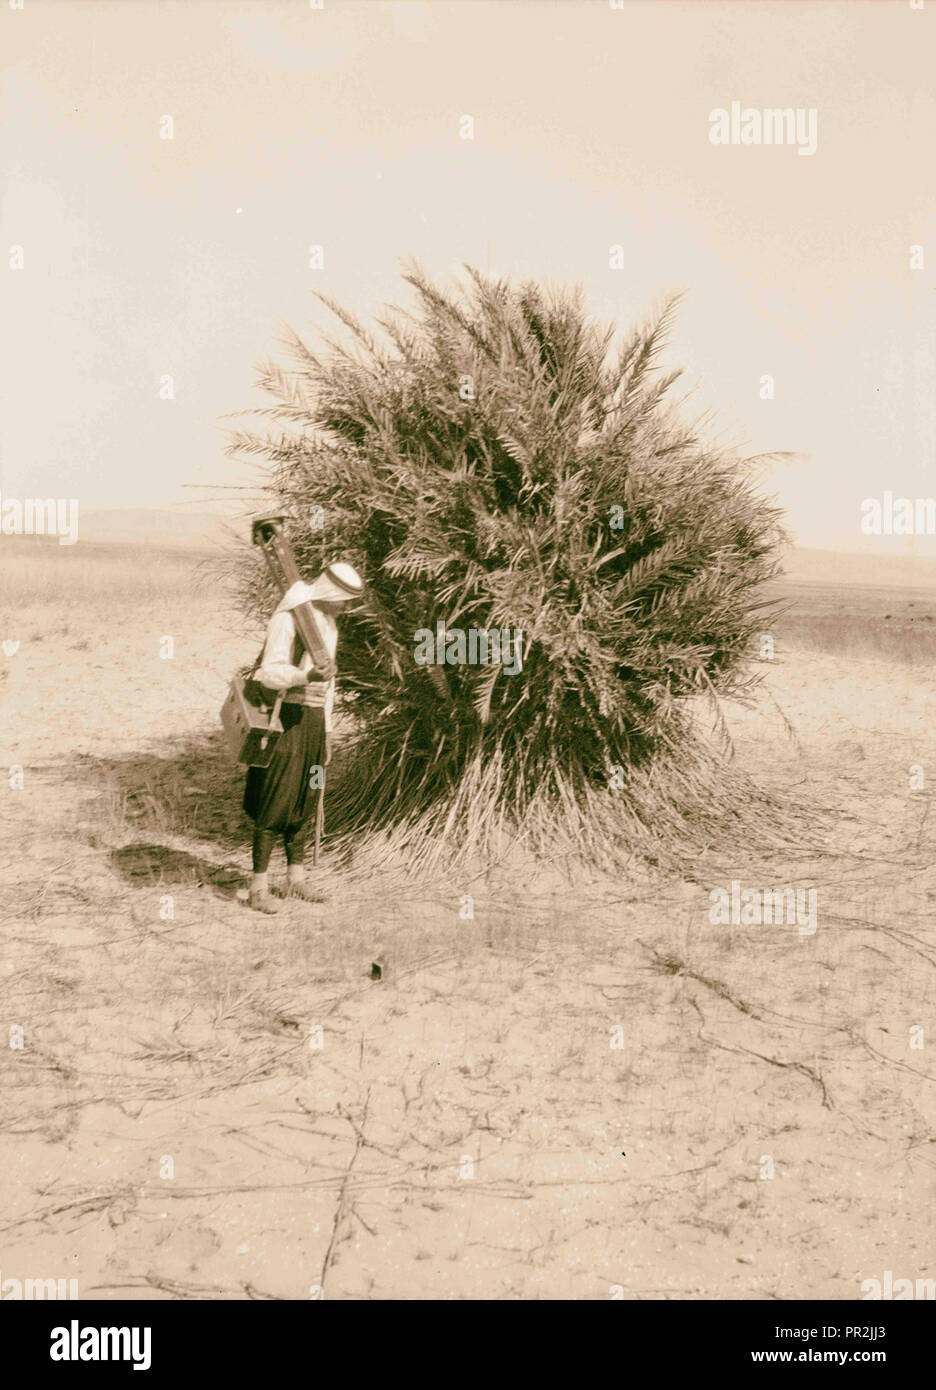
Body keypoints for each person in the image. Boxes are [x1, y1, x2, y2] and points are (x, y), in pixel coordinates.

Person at [243, 560, 364, 913]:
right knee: (276, 797)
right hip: (285, 719)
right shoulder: (288, 619)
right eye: (343, 600)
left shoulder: (328, 625)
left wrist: (326, 733)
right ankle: (258, 887)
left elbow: (329, 685)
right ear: (331, 593)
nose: (345, 607)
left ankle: (295, 880)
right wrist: (305, 678)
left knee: (305, 796)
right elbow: (270, 674)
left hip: (312, 724)